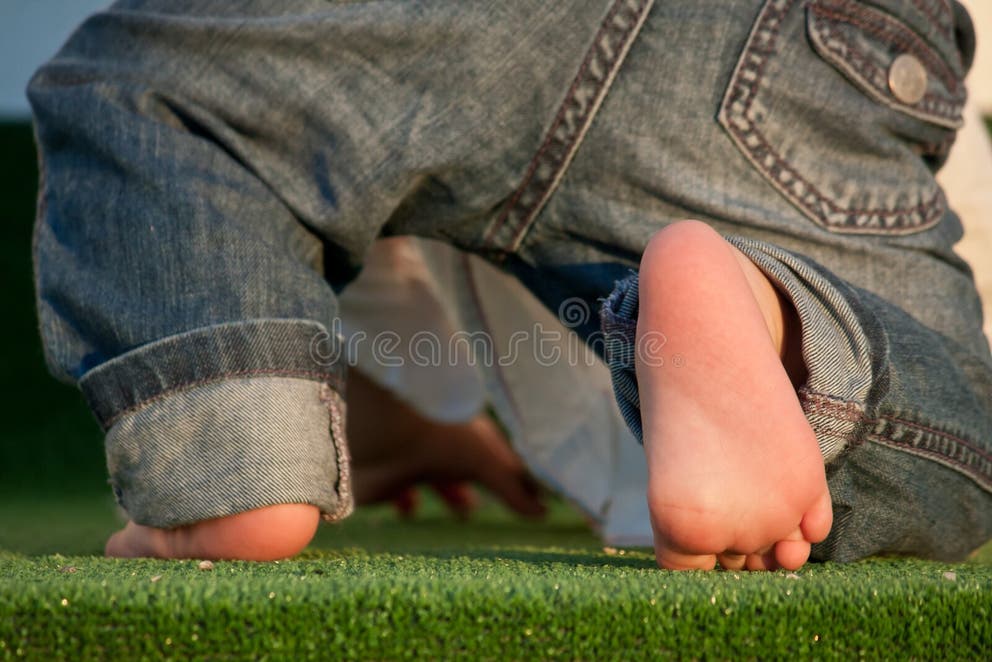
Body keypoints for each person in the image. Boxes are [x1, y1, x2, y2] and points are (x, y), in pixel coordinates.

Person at [27, 0, 992, 570]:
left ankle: (233, 468)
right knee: (948, 418)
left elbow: (290, 178)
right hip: (802, 43)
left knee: (155, 89)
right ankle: (765, 308)